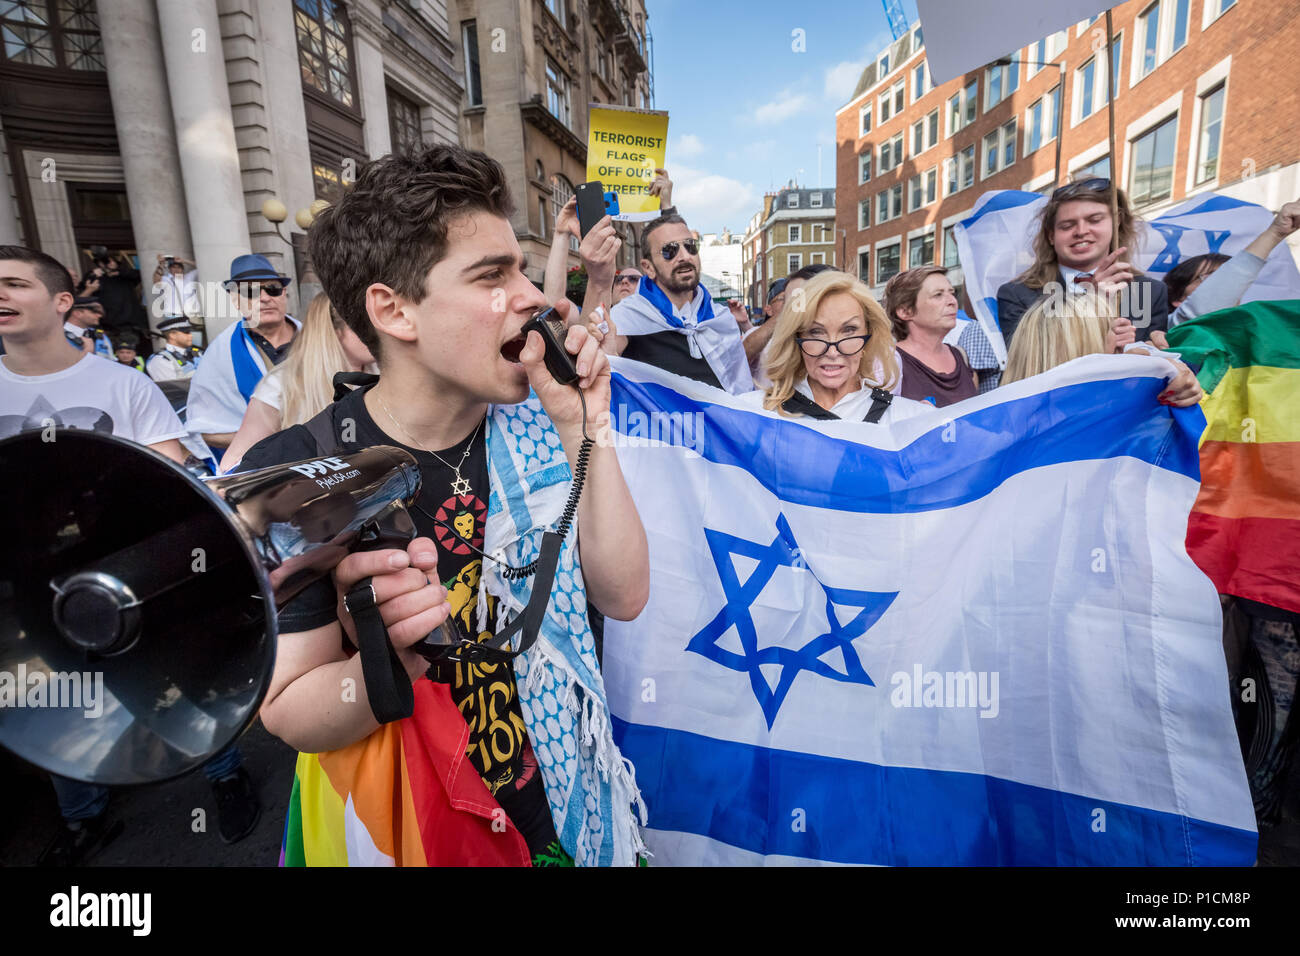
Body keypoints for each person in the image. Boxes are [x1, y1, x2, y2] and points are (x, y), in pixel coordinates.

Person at [241, 143, 649, 867]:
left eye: (522, 268)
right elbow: (289, 709)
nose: (529, 296)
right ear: (394, 311)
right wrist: (388, 657)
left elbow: (622, 596)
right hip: (418, 821)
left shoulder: (543, 420)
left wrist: (586, 429)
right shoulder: (298, 469)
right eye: (493, 275)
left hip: (567, 795)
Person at [0, 245, 261, 862]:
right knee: (47, 692)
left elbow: (177, 475)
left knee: (169, 672)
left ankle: (223, 773)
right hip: (28, 580)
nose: (0, 296)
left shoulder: (121, 382)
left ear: (62, 302)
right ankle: (82, 817)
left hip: (126, 570)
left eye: (13, 284)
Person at [739, 270, 928, 425]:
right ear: (797, 337)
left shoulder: (907, 421)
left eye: (849, 330)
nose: (832, 352)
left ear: (869, 337)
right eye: (816, 332)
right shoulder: (753, 414)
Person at [996, 179, 1169, 347]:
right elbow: (1027, 363)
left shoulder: (1149, 292)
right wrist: (1093, 301)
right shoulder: (1017, 295)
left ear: (1116, 223)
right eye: (1067, 226)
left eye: (1094, 220)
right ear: (1051, 236)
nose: (1081, 231)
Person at [219, 292, 375, 471]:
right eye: (363, 325)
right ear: (334, 331)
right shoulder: (281, 386)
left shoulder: (382, 375)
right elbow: (232, 469)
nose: (377, 331)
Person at [999, 289, 1202, 407]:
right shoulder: (1120, 412)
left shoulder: (995, 423)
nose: (1124, 342)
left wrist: (1174, 373)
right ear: (1083, 349)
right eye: (1110, 329)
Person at [185, 254, 299, 453]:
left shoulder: (318, 338)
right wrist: (265, 438)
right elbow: (203, 431)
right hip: (268, 472)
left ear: (284, 293)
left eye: (273, 289)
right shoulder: (219, 355)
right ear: (235, 300)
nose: (264, 298)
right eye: (250, 292)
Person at [884, 266, 979, 407]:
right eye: (938, 295)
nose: (952, 301)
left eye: (952, 292)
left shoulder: (960, 355)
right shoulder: (887, 362)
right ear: (905, 311)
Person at [77, 246, 148, 348]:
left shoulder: (124, 276)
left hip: (129, 324)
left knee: (129, 353)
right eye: (102, 262)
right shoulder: (97, 278)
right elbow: (84, 289)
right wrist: (93, 274)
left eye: (109, 261)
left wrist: (117, 271)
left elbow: (139, 275)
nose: (106, 264)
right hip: (108, 327)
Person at [146, 316, 203, 382]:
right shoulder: (160, 360)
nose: (191, 335)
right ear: (172, 335)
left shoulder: (197, 353)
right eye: (186, 332)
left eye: (190, 332)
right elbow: (174, 388)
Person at [150, 253, 201, 322]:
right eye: (173, 267)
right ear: (169, 269)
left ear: (182, 269)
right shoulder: (167, 279)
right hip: (172, 316)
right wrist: (161, 264)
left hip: (192, 315)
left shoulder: (189, 277)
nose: (176, 269)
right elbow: (156, 280)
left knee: (195, 333)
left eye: (178, 267)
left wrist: (184, 261)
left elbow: (202, 267)